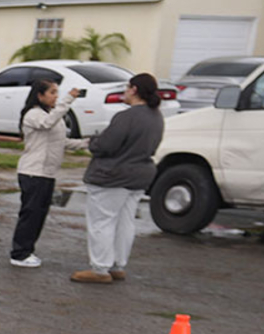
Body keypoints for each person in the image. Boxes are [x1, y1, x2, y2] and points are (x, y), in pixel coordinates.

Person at [73, 73, 165, 284]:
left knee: (102, 221)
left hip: (113, 175)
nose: (124, 91)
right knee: (125, 221)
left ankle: (99, 269)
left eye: (127, 87)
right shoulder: (156, 116)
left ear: (134, 90)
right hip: (140, 175)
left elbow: (106, 145)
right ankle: (117, 265)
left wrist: (93, 142)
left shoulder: (126, 117)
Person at [11, 79, 87, 268]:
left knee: (39, 215)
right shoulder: (34, 115)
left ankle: (28, 250)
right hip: (33, 172)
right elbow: (46, 124)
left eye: (57, 93)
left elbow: (62, 141)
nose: (56, 96)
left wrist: (87, 143)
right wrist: (69, 100)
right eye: (52, 92)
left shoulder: (53, 115)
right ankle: (19, 253)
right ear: (40, 95)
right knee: (30, 214)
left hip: (48, 174)